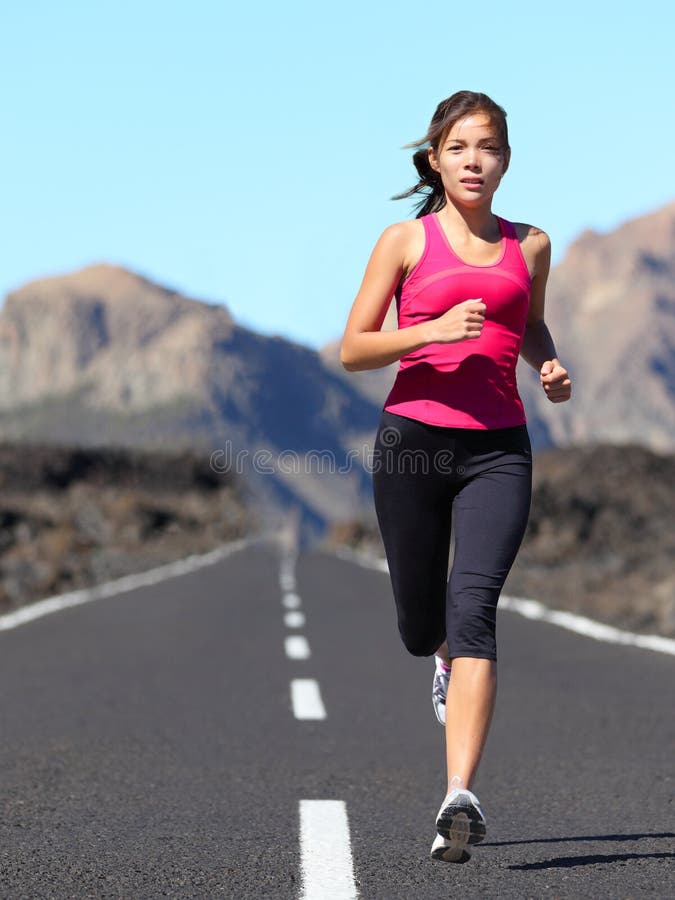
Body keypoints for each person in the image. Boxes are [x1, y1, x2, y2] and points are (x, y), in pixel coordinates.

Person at [339, 90, 572, 864]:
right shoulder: (404, 241)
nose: (477, 161)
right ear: (435, 159)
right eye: (461, 148)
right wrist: (429, 331)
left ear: (507, 159)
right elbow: (354, 348)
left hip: (498, 448)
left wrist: (545, 360)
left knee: (475, 607)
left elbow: (527, 318)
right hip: (413, 444)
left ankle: (457, 796)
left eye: (491, 148)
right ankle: (436, 657)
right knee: (419, 623)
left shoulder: (529, 243)